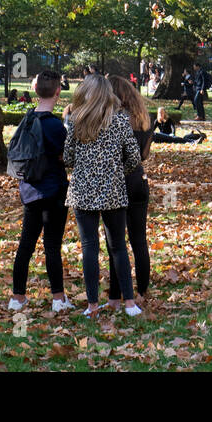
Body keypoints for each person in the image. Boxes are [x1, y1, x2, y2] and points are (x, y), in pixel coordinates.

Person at [63, 74, 142, 317]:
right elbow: (134, 157)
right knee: (118, 245)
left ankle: (92, 305)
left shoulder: (77, 122)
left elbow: (67, 158)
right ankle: (129, 303)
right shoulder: (119, 121)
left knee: (89, 247)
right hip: (113, 191)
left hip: (83, 190)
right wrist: (118, 170)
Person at [8, 71, 73, 314]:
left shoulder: (26, 121)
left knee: (25, 244)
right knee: (52, 245)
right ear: (58, 92)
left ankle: (17, 297)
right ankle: (58, 298)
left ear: (36, 91)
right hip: (54, 190)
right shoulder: (56, 126)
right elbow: (67, 156)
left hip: (30, 189)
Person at [106, 76, 152, 311]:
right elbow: (143, 155)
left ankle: (117, 293)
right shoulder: (144, 119)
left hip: (119, 180)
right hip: (139, 180)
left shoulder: (114, 121)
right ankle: (142, 289)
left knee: (116, 241)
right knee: (138, 239)